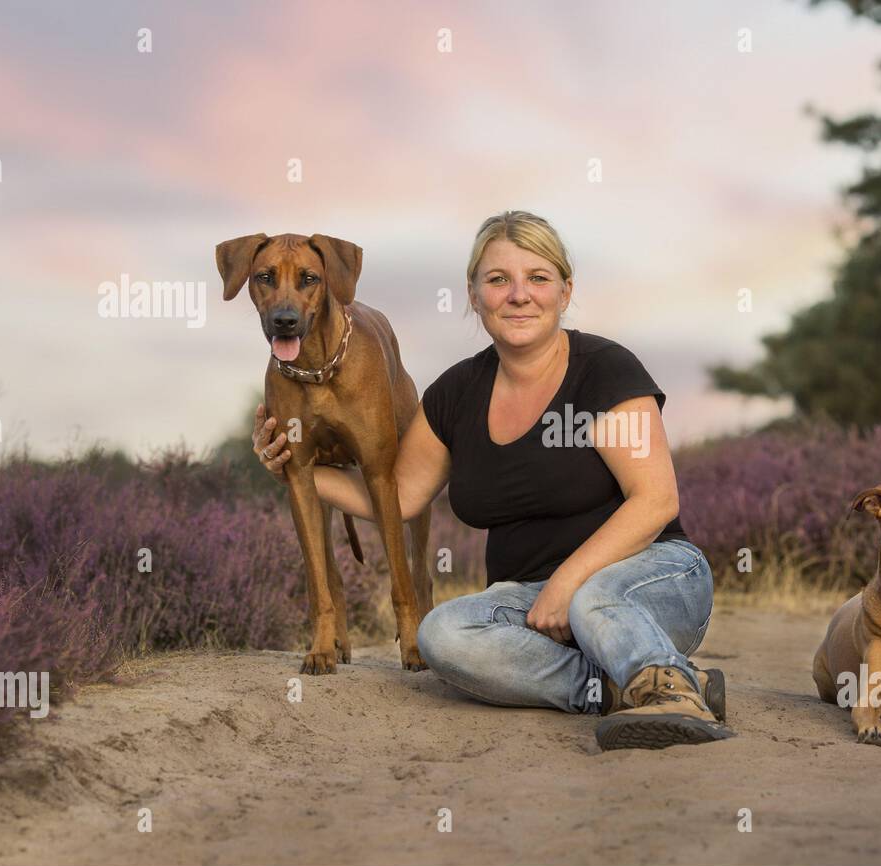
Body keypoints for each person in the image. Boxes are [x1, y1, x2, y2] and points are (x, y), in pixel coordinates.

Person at [253, 210, 732, 751]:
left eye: (538, 278)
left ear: (565, 291)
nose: (518, 295)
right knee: (441, 635)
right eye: (498, 280)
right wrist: (296, 467)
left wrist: (567, 582)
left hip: (649, 577)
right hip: (532, 604)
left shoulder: (606, 369)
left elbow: (656, 501)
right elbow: (402, 495)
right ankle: (629, 684)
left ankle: (667, 689)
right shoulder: (455, 393)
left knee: (592, 598)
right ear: (474, 294)